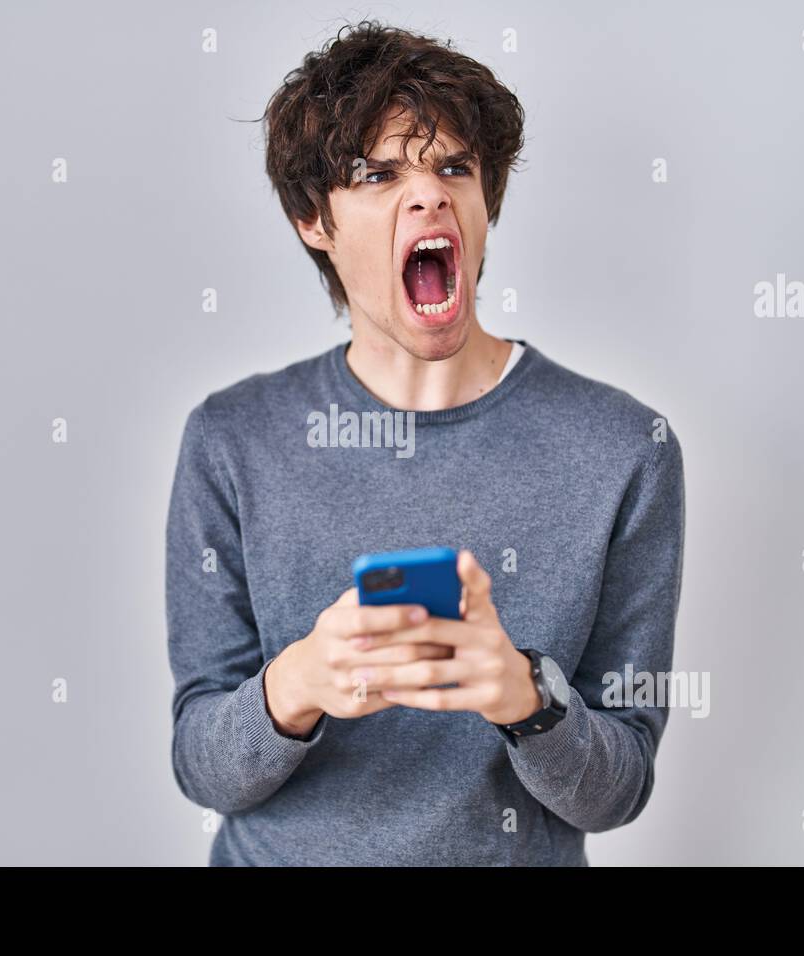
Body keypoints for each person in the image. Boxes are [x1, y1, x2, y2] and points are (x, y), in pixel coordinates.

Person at [165, 21, 685, 865]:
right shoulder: (233, 440)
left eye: (454, 168)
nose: (429, 196)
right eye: (377, 174)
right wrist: (298, 684)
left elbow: (619, 788)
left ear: (484, 205)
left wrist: (526, 698)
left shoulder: (626, 448)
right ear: (313, 219)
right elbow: (201, 765)